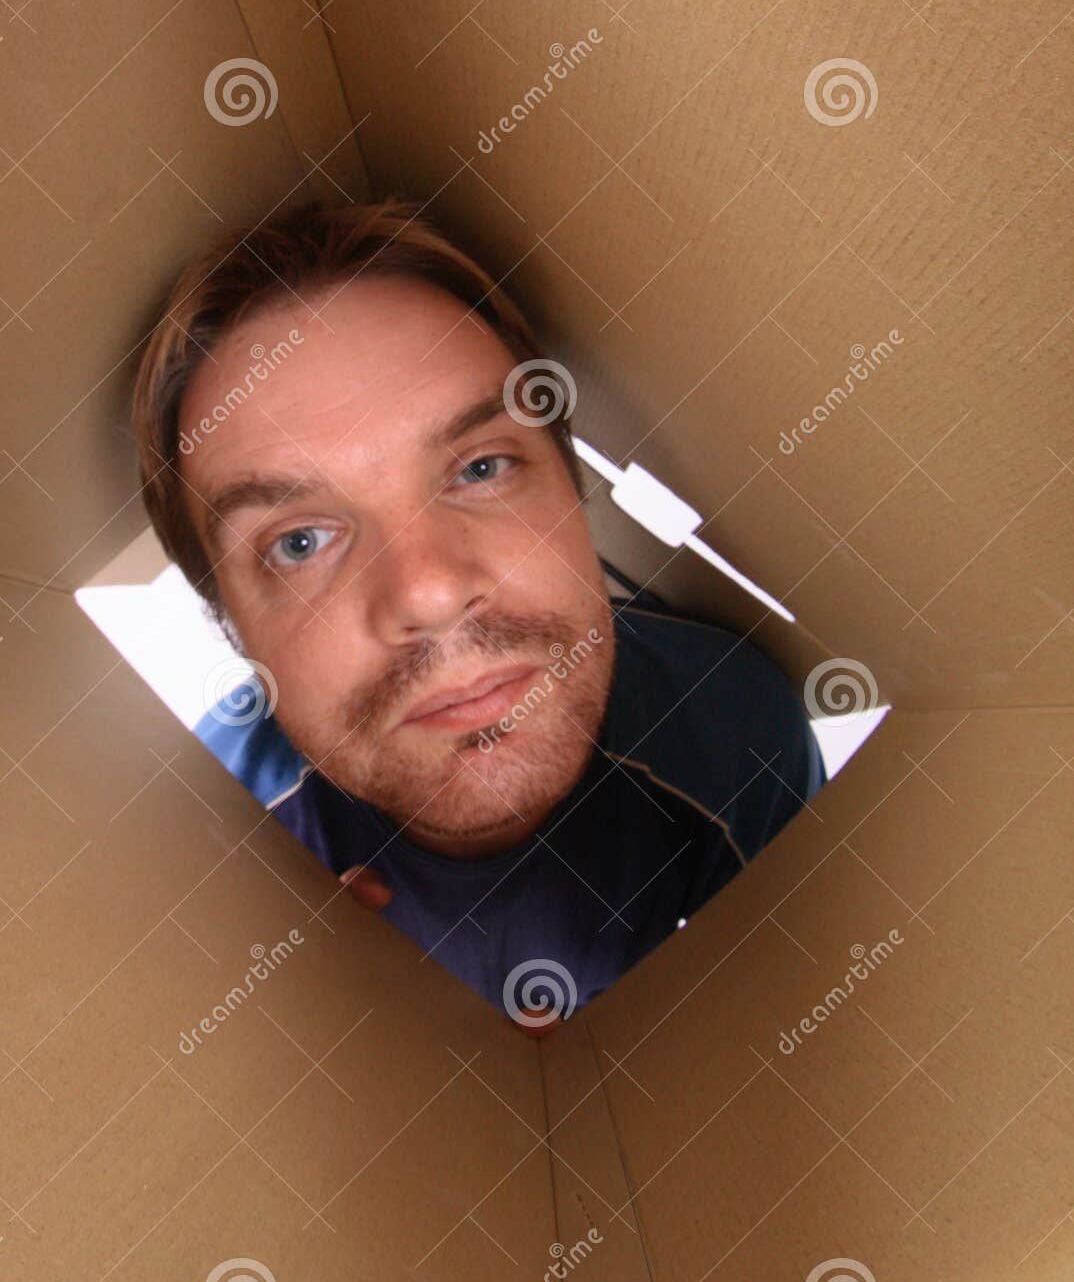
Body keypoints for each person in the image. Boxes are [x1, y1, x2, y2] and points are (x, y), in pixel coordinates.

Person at [131, 197, 823, 1028]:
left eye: (481, 467)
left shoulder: (731, 728)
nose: (428, 592)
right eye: (299, 542)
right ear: (229, 627)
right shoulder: (204, 849)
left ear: (573, 492)